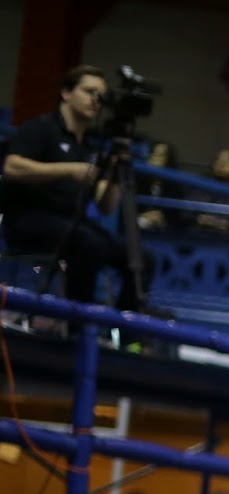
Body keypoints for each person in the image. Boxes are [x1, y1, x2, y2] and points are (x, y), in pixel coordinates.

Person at [0, 65, 144, 312]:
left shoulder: (91, 144)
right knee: (90, 244)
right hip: (29, 220)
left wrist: (113, 178)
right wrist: (70, 169)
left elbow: (106, 206)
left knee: (140, 257)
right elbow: (12, 167)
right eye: (89, 91)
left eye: (101, 96)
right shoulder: (41, 128)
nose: (95, 100)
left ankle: (129, 334)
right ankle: (79, 322)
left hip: (72, 224)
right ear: (66, 93)